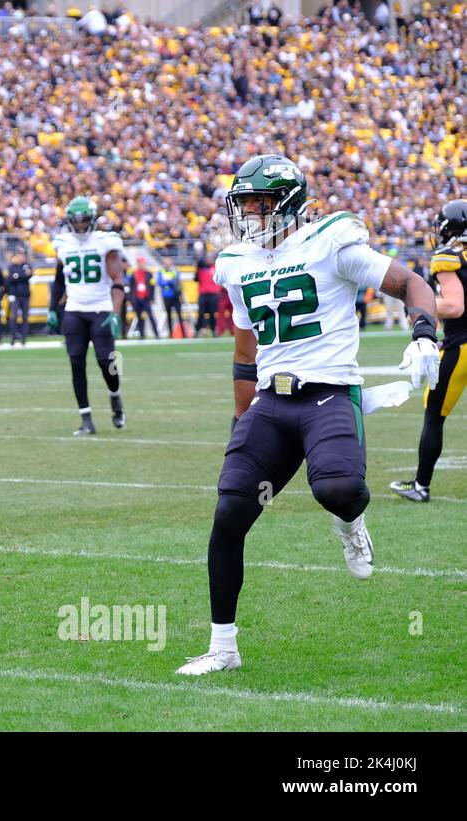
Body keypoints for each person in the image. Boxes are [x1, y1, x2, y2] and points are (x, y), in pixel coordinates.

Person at [177, 155, 439, 677]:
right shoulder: (238, 261)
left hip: (329, 395)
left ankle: (351, 519)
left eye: (257, 203)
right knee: (230, 515)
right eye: (243, 204)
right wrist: (240, 416)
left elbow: (411, 284)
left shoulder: (331, 242)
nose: (248, 214)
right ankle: (223, 647)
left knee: (338, 490)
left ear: (287, 203)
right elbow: (246, 346)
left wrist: (425, 334)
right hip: (271, 404)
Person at [391, 200, 467, 503]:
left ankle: (421, 486)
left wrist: (420, 304)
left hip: (461, 347)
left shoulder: (448, 258)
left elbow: (455, 305)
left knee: (434, 414)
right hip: (458, 342)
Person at [48, 196, 127, 434]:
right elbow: (60, 278)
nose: (80, 225)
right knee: (76, 362)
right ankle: (86, 420)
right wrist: (53, 307)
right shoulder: (62, 243)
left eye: (84, 221)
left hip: (100, 308)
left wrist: (115, 312)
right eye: (76, 221)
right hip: (74, 309)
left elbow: (118, 280)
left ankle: (115, 395)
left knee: (107, 361)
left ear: (93, 220)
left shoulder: (105, 241)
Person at [6, 251, 33, 345]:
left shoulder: (27, 265)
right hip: (15, 296)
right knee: (14, 317)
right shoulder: (12, 267)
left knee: (25, 317)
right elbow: (9, 279)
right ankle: (13, 338)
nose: (21, 257)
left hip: (25, 296)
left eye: (22, 255)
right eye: (19, 255)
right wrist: (22, 275)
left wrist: (17, 275)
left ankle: (24, 339)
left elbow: (28, 275)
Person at [129, 262, 159, 338]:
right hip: (137, 298)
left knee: (151, 316)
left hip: (146, 298)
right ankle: (141, 334)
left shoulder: (149, 274)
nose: (141, 265)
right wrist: (130, 299)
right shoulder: (133, 274)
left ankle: (156, 334)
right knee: (139, 317)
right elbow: (131, 287)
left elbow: (152, 286)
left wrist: (152, 298)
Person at [157, 262, 186, 337]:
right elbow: (159, 282)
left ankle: (183, 334)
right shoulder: (161, 272)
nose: (167, 264)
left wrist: (181, 295)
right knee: (168, 315)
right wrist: (169, 282)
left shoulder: (175, 271)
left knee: (179, 315)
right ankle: (170, 334)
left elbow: (178, 282)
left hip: (175, 296)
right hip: (166, 296)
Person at [195, 255, 220, 336]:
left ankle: (213, 330)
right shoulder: (201, 268)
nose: (208, 260)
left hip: (213, 294)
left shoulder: (216, 268)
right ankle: (198, 330)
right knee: (201, 312)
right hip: (203, 294)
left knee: (213, 313)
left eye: (210, 259)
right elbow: (195, 279)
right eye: (207, 259)